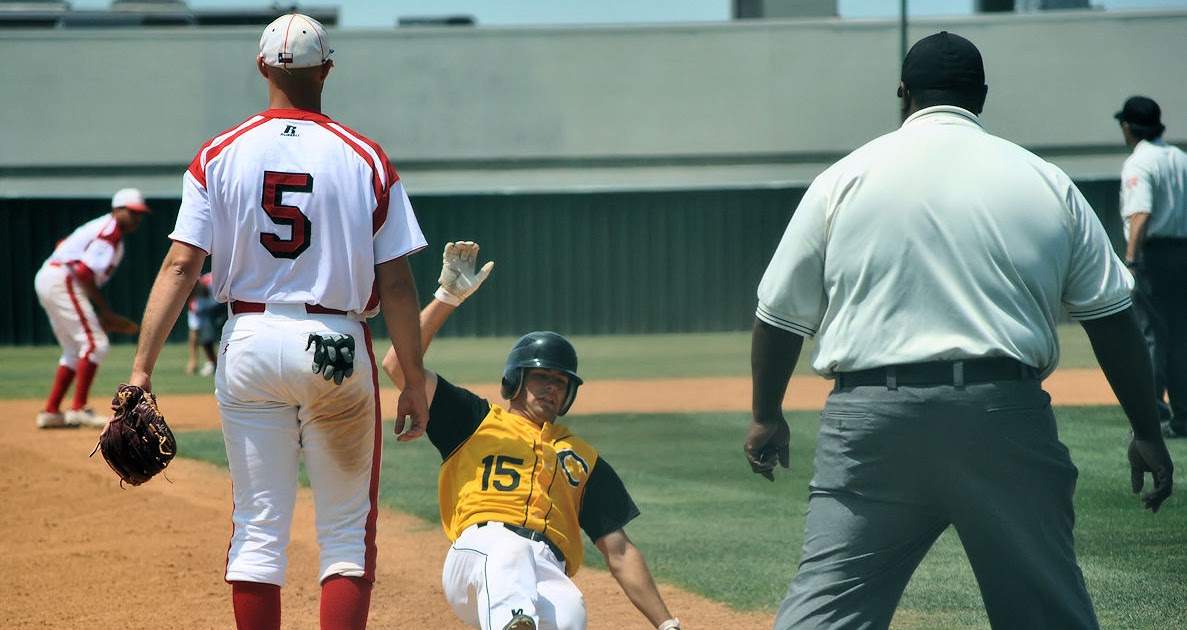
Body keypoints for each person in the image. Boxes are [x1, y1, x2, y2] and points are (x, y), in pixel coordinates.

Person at [744, 31, 1174, 630]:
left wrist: (766, 414)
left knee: (825, 615)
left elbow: (777, 315)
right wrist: (1147, 430)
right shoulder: (1045, 181)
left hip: (872, 425)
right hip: (1003, 418)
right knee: (1046, 614)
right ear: (982, 96)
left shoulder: (844, 177)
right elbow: (1111, 319)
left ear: (904, 95)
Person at [121, 14, 429, 630]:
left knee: (259, 530)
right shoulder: (365, 157)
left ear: (262, 67)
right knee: (344, 535)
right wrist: (414, 381)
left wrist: (140, 368)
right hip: (336, 343)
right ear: (328, 69)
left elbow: (182, 265)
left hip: (251, 342)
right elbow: (395, 283)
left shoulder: (218, 153)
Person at [382, 241, 682, 630]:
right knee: (511, 550)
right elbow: (397, 366)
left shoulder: (581, 458)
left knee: (570, 609)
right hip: (481, 555)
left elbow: (620, 551)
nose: (551, 387)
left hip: (546, 569)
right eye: (541, 376)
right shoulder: (475, 421)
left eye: (560, 382)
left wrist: (667, 624)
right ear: (515, 380)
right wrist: (447, 297)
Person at [33, 187, 149, 429]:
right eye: (132, 212)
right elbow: (84, 273)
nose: (137, 217)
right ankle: (79, 409)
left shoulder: (103, 228)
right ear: (117, 210)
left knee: (75, 349)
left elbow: (64, 245)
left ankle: (51, 412)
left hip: (51, 277)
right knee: (95, 343)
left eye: (140, 213)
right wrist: (106, 312)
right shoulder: (110, 232)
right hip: (62, 279)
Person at [1114, 95, 1187, 438]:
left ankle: (1155, 418)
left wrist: (1130, 260)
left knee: (1152, 337)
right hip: (1182, 252)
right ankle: (1183, 417)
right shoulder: (1179, 158)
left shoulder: (1139, 162)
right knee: (1180, 338)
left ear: (1128, 127)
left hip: (1153, 256)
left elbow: (1141, 212)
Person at [185, 272, 225, 376]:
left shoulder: (215, 280)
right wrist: (193, 360)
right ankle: (213, 362)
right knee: (206, 336)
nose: (193, 288)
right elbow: (195, 331)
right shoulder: (195, 305)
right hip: (208, 314)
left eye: (195, 284)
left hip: (224, 309)